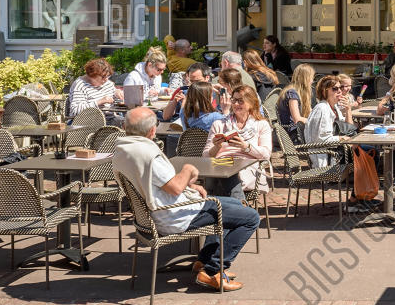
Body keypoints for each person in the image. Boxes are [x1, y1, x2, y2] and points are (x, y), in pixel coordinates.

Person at [114, 106, 259, 292]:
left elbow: (157, 183)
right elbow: (174, 188)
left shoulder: (123, 150)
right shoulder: (147, 154)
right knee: (250, 218)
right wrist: (188, 170)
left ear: (125, 127)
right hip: (173, 215)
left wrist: (189, 186)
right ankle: (213, 270)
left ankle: (204, 260)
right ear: (152, 131)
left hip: (155, 213)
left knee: (236, 205)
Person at [207, 85, 274, 203]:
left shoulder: (261, 125)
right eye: (234, 100)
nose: (236, 104)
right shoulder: (219, 124)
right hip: (220, 166)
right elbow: (206, 156)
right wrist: (216, 147)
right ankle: (241, 208)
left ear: (252, 103)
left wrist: (246, 147)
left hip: (247, 167)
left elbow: (266, 154)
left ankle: (226, 209)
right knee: (223, 170)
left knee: (224, 176)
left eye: (240, 101)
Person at [303, 76, 346, 168]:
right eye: (335, 89)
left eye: (340, 88)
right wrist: (341, 138)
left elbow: (346, 127)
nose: (339, 91)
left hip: (335, 151)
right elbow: (321, 139)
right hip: (326, 158)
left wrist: (348, 110)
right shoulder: (322, 109)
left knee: (367, 150)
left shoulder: (335, 107)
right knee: (365, 151)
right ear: (324, 91)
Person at [278, 63, 317, 130]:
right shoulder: (292, 93)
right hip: (292, 132)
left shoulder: (301, 93)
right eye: (312, 78)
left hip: (299, 129)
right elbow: (297, 119)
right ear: (306, 78)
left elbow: (310, 112)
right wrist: (315, 122)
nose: (312, 81)